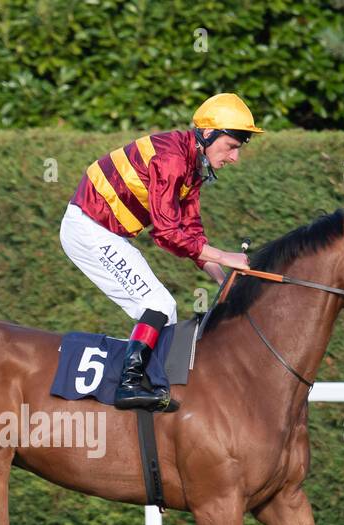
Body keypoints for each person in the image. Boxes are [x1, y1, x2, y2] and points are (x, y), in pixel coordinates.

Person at [60, 93, 263, 411]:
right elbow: (167, 234)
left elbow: (190, 231)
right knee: (158, 304)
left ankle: (152, 385)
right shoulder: (172, 159)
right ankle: (128, 386)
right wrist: (225, 256)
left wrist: (222, 277)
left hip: (106, 232)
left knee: (166, 312)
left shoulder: (192, 164)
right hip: (88, 229)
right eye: (231, 146)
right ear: (208, 133)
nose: (235, 157)